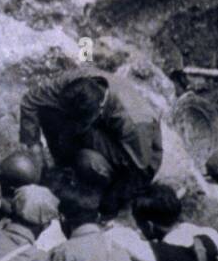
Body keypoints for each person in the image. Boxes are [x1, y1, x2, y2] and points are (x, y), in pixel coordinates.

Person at [18, 70, 163, 212]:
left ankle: (94, 182)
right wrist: (33, 145)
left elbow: (140, 171)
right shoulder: (69, 82)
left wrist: (109, 205)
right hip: (97, 130)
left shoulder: (133, 122)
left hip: (135, 155)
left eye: (78, 123)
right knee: (48, 112)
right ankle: (62, 168)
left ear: (98, 111)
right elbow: (30, 102)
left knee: (88, 160)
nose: (70, 127)